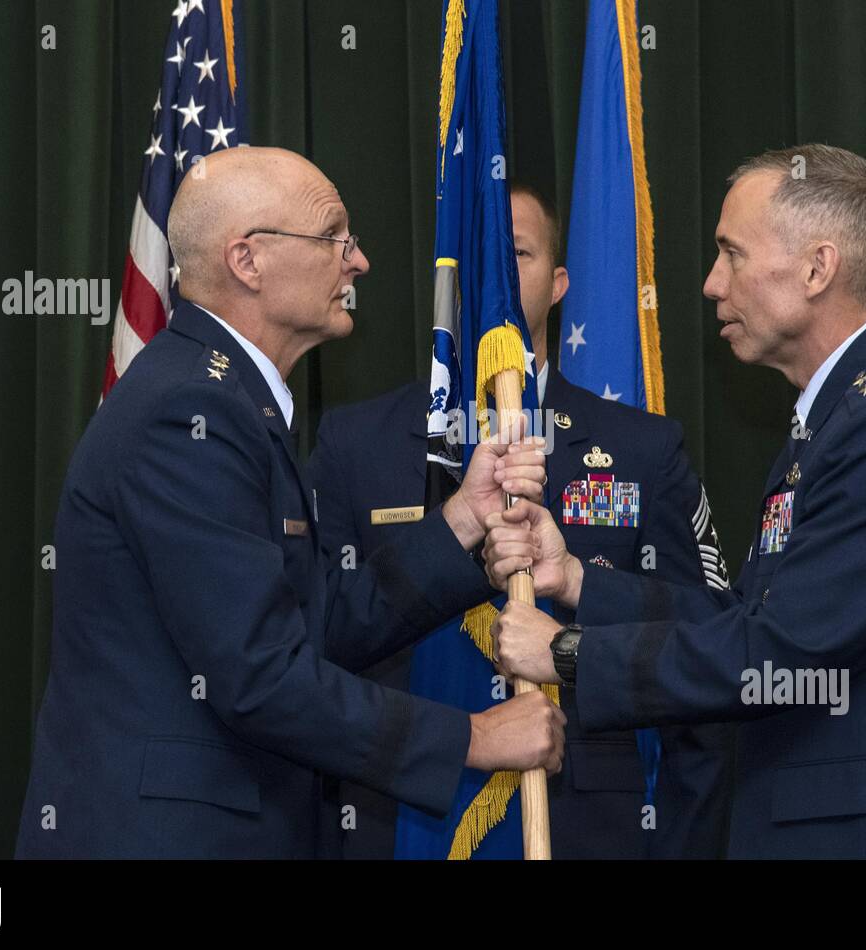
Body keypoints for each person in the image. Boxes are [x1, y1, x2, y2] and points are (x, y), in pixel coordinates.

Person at [15, 147, 564, 859]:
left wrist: (463, 519)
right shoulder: (189, 411)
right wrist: (476, 737)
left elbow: (316, 625)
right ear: (248, 261)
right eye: (335, 236)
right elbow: (261, 675)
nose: (358, 261)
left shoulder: (229, 400)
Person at [484, 145, 866, 858]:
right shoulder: (841, 414)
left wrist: (568, 652)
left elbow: (780, 653)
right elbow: (751, 617)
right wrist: (581, 583)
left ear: (816, 269)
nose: (711, 284)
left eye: (732, 254)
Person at [309, 182, 734, 859]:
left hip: (583, 824)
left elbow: (714, 635)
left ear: (559, 282)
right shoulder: (355, 444)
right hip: (402, 819)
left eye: (516, 256)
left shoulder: (641, 449)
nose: (494, 279)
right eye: (476, 259)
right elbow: (317, 644)